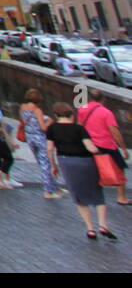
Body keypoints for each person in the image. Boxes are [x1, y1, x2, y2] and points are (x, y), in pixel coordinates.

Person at [48, 102, 117, 240]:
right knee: (97, 192)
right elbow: (90, 147)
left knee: (78, 195)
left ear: (56, 115)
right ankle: (103, 225)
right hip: (86, 162)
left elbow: (49, 148)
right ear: (71, 115)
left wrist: (53, 165)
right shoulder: (79, 129)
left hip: (66, 162)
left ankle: (90, 229)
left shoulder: (52, 128)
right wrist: (100, 150)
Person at [77, 90, 129, 206]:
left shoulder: (82, 109)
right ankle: (121, 197)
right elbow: (114, 131)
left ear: (90, 98)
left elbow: (79, 127)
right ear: (103, 99)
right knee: (119, 169)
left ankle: (93, 196)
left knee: (94, 170)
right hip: (106, 145)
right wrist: (124, 148)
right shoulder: (106, 112)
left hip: (89, 145)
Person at [18, 89, 64, 199]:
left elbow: (24, 122)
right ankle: (48, 191)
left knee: (42, 164)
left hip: (30, 138)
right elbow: (43, 127)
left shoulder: (22, 107)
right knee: (46, 165)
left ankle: (54, 187)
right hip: (39, 138)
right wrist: (49, 121)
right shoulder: (37, 110)